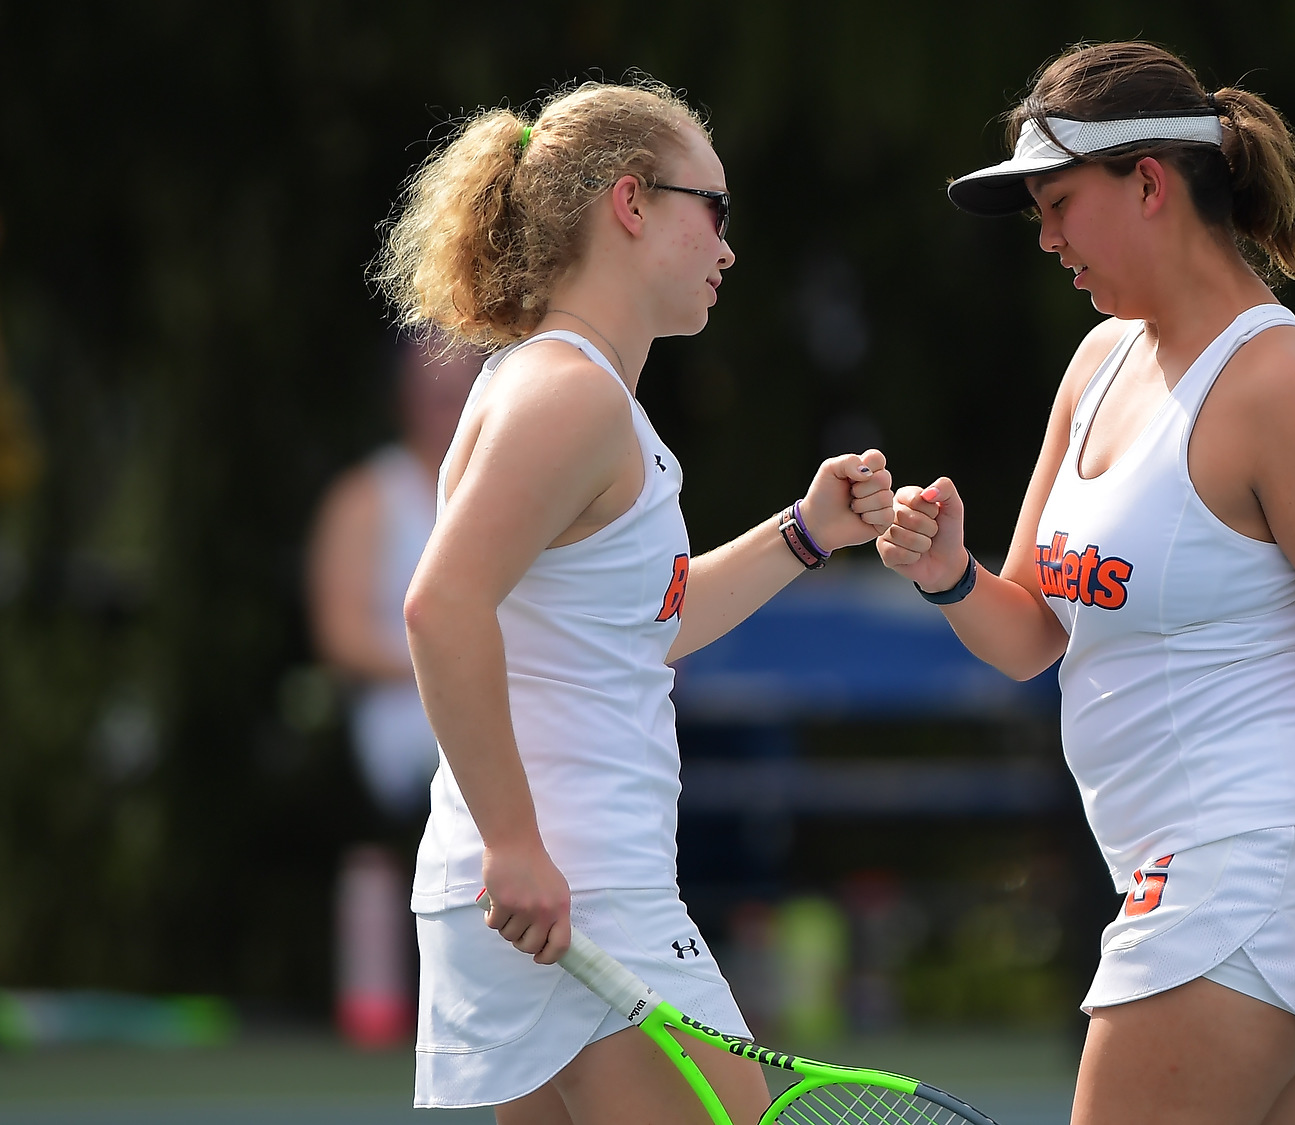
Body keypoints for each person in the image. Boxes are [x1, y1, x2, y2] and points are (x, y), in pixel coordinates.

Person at [878, 43, 1295, 1124]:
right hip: (1214, 881)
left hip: (1253, 874)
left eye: (1059, 203)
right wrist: (950, 575)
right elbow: (1034, 635)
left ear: (1146, 183)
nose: (1044, 238)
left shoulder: (1278, 385)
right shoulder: (1095, 365)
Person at [371, 77, 893, 1121]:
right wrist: (517, 845)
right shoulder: (571, 397)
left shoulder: (555, 387)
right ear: (629, 202)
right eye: (714, 209)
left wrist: (804, 534)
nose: (727, 248)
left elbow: (638, 626)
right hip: (577, 894)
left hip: (543, 896)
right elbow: (440, 607)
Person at [308, 340, 479, 820]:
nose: (451, 411)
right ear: (406, 397)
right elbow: (340, 638)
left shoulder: (514, 489)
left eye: (462, 393)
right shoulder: (363, 500)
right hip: (408, 722)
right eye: (438, 396)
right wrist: (458, 662)